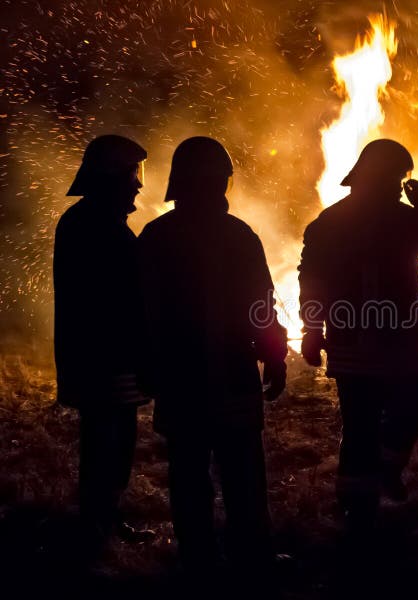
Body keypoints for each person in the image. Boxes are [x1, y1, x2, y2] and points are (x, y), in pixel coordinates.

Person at [137, 137, 287, 574]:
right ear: (222, 181)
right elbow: (261, 306)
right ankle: (252, 554)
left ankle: (197, 557)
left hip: (178, 378)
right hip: (232, 375)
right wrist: (274, 357)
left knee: (187, 473)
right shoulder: (238, 235)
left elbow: (139, 309)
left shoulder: (155, 236)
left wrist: (147, 366)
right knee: (242, 473)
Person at [298, 139, 418, 538]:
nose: (400, 185)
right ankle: (361, 503)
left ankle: (366, 494)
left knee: (379, 419)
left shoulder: (332, 222)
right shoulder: (398, 220)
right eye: (398, 178)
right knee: (387, 416)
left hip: (374, 342)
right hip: (384, 342)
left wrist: (313, 331)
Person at [53, 134, 153, 553]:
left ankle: (104, 520)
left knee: (115, 440)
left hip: (107, 359)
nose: (138, 184)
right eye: (132, 173)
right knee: (106, 443)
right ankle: (95, 528)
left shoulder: (94, 222)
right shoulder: (96, 228)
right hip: (105, 361)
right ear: (111, 176)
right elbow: (118, 300)